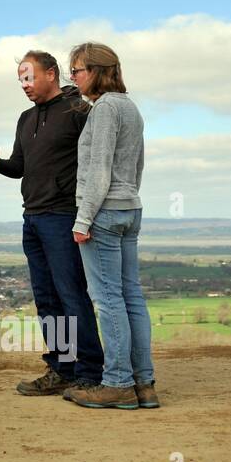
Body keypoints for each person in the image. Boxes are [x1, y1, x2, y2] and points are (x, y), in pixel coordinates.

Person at [0, 50, 105, 396]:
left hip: (64, 216)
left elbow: (98, 162)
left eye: (29, 77)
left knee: (71, 296)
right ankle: (62, 369)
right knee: (47, 299)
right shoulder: (25, 119)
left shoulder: (80, 111)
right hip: (32, 218)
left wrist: (89, 213)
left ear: (51, 74)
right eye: (20, 79)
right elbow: (19, 166)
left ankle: (91, 373)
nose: (24, 85)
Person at [62, 42, 156, 410]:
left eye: (78, 70)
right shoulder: (132, 109)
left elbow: (98, 170)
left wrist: (83, 219)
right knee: (132, 295)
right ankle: (143, 384)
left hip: (102, 213)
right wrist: (126, 198)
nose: (74, 77)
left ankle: (116, 383)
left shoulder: (103, 110)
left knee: (107, 299)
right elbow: (137, 167)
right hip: (130, 208)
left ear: (99, 71)